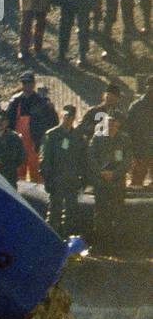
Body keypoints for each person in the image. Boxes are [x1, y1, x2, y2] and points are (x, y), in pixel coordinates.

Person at [40, 104, 88, 236]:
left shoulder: (78, 137)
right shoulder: (52, 135)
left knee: (71, 212)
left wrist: (83, 179)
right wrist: (47, 179)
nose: (68, 119)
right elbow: (44, 159)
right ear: (62, 116)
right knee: (54, 213)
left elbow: (83, 160)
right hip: (56, 179)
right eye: (66, 116)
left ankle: (68, 241)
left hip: (72, 180)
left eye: (71, 117)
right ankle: (52, 240)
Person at [88, 112, 129, 248]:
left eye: (113, 121)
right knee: (100, 213)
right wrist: (101, 172)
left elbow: (127, 161)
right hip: (101, 182)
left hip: (117, 182)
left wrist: (115, 174)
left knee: (118, 213)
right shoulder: (97, 138)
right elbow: (91, 157)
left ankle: (117, 245)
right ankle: (100, 244)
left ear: (119, 123)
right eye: (109, 120)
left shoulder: (124, 139)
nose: (111, 123)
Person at [5, 70, 53, 183]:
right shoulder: (14, 101)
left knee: (37, 173)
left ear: (34, 84)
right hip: (18, 143)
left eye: (29, 82)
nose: (27, 85)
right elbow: (7, 122)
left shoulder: (42, 102)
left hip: (35, 143)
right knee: (17, 173)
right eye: (24, 83)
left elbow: (51, 122)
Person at [127, 75, 153, 188]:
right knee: (136, 185)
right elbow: (129, 130)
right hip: (140, 151)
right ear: (147, 88)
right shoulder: (136, 106)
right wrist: (132, 151)